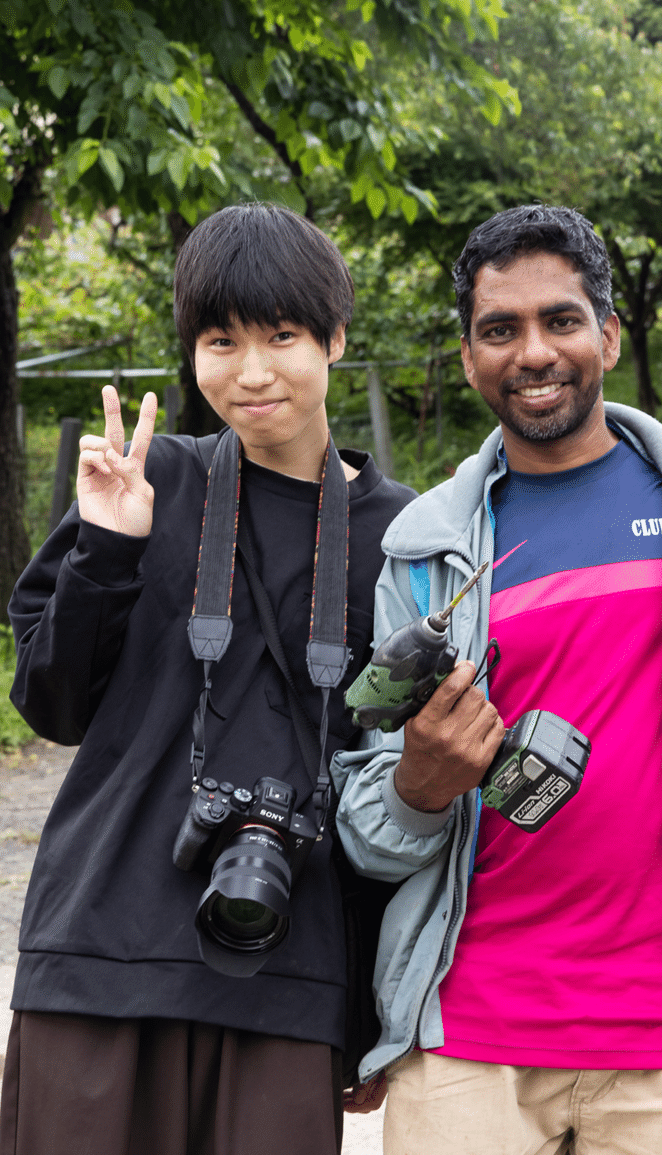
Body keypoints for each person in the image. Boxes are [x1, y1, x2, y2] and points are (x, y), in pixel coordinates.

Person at [332, 204, 662, 1155]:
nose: (534, 352)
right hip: (463, 1044)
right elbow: (368, 831)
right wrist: (421, 783)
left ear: (609, 336)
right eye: (500, 329)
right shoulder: (425, 552)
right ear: (470, 358)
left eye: (561, 320)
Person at [1, 202, 414, 1155]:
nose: (252, 371)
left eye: (283, 335)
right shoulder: (151, 481)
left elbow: (392, 787)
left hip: (289, 968)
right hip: (98, 953)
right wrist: (107, 548)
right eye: (221, 341)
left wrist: (370, 1006)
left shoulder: (401, 535)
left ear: (335, 337)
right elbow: (51, 705)